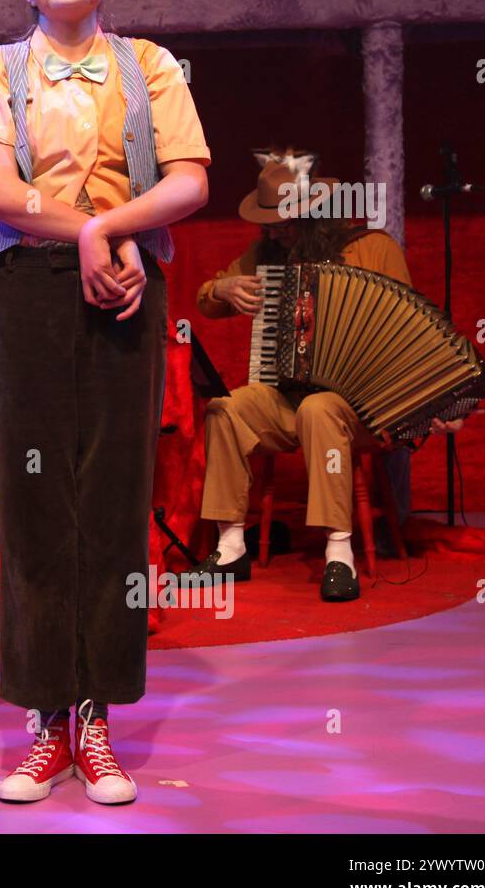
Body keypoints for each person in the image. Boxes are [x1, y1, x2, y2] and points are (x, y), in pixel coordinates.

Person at [0, 0, 210, 805]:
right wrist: (95, 232)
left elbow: (188, 180)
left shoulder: (150, 67)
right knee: (31, 501)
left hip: (128, 285)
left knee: (112, 497)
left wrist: (110, 232)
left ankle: (96, 717)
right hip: (25, 286)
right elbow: (0, 190)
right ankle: (42, 718)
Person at [191, 148, 464, 602]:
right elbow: (207, 300)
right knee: (227, 407)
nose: (277, 234)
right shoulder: (266, 256)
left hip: (361, 408)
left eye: (288, 223)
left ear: (318, 215)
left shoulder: (373, 249)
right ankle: (230, 547)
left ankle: (340, 553)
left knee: (319, 407)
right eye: (270, 225)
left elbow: (414, 330)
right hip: (286, 401)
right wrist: (222, 288)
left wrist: (432, 401)